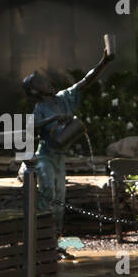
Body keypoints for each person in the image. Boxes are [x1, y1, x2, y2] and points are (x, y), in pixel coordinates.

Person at [21, 45, 113, 236]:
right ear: (36, 91)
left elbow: (85, 82)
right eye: (41, 82)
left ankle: (56, 238)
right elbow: (33, 128)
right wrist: (55, 119)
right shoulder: (40, 107)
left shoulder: (63, 99)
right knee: (48, 192)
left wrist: (102, 63)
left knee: (60, 197)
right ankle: (40, 237)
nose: (46, 82)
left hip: (60, 156)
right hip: (45, 155)